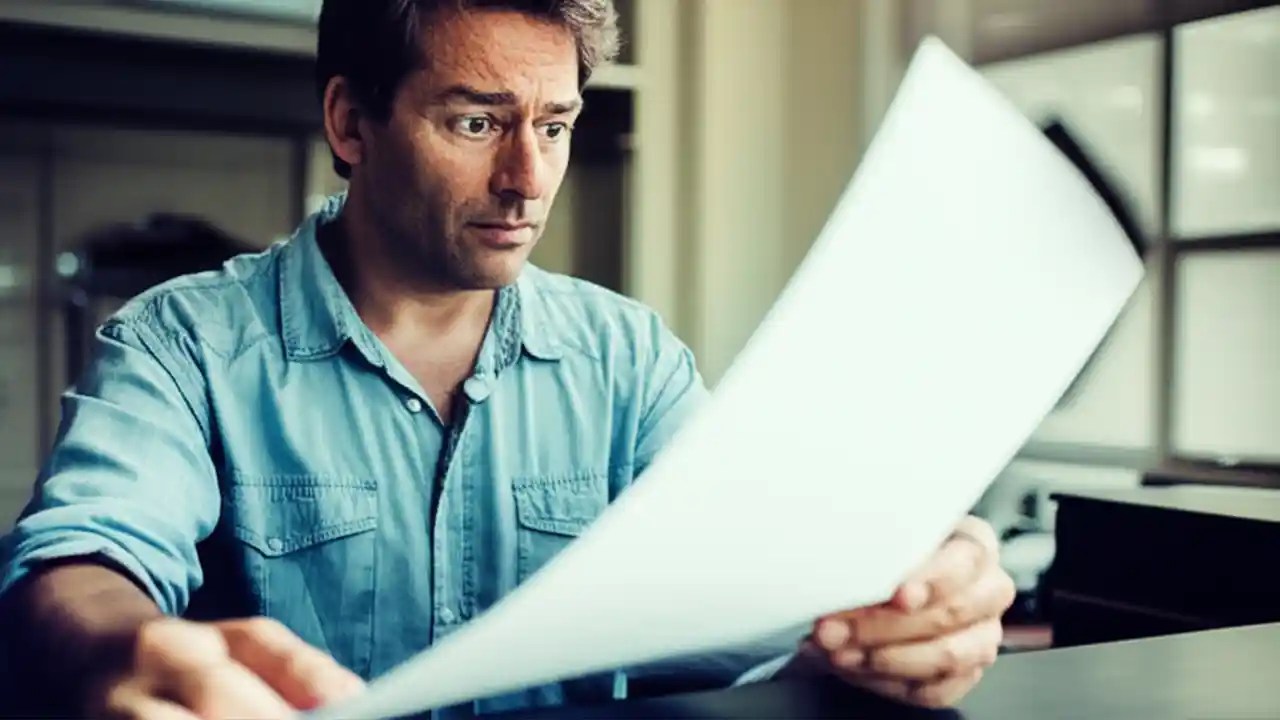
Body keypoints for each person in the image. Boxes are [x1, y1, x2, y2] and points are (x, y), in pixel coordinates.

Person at [0, 1, 1015, 718]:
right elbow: (80, 562)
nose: (527, 179)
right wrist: (118, 650)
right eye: (476, 122)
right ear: (351, 122)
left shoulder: (629, 360)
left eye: (556, 125)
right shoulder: (184, 343)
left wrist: (899, 605)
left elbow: (740, 605)